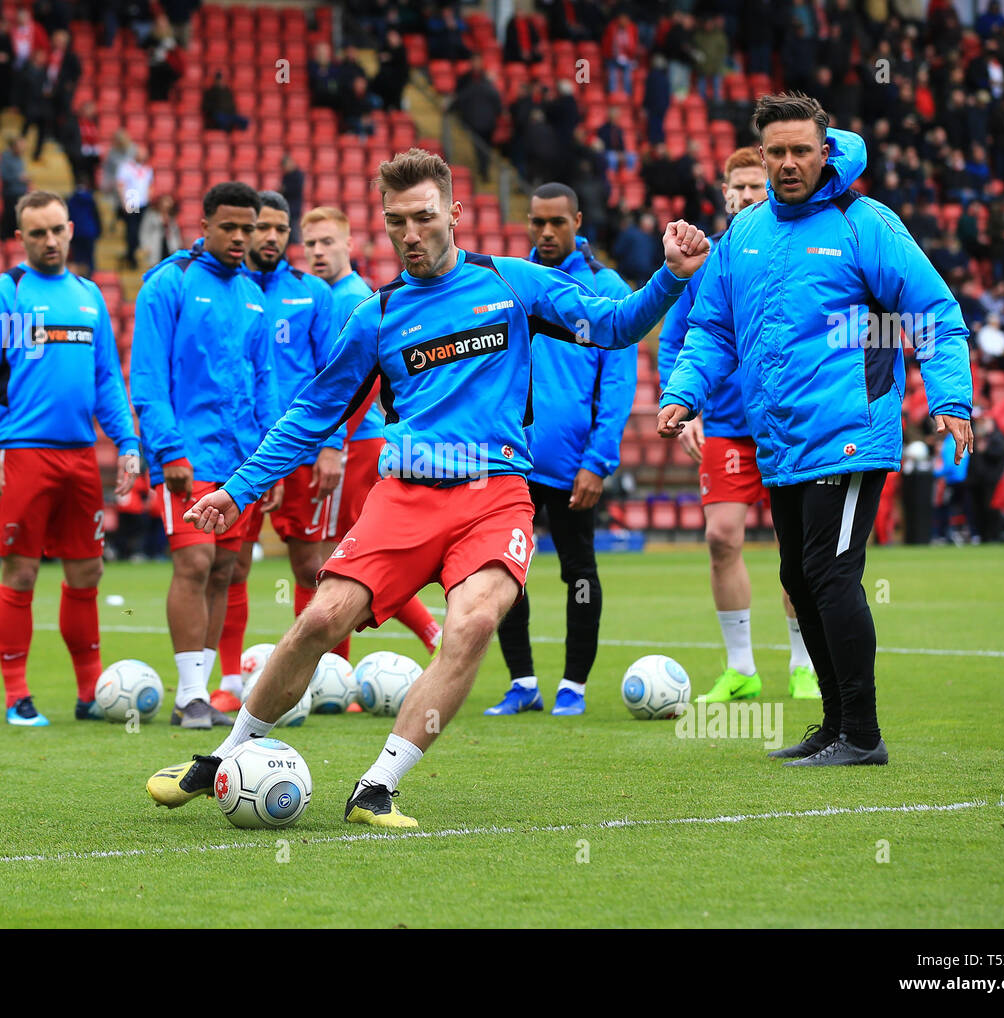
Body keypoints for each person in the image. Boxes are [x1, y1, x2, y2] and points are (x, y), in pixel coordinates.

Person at [145, 148, 708, 827]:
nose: (410, 235)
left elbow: (613, 326)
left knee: (471, 624)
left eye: (423, 218)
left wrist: (672, 278)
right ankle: (224, 759)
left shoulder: (515, 284)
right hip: (405, 497)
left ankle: (378, 785)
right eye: (395, 223)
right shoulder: (378, 318)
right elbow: (308, 416)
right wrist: (237, 490)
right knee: (320, 620)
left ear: (455, 213)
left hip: (496, 494)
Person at [658, 94, 974, 766]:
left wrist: (951, 396)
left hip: (851, 431)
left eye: (803, 149)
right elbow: (711, 328)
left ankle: (862, 734)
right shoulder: (742, 236)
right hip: (782, 441)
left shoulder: (865, 224)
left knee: (830, 576)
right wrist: (684, 393)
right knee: (800, 581)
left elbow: (936, 312)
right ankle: (835, 727)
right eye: (777, 151)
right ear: (762, 155)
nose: (790, 162)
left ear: (826, 151)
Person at [0, 190, 140, 727]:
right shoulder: (4, 294)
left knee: (87, 571)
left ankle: (90, 695)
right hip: (21, 455)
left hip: (81, 457)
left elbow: (107, 378)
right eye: (37, 233)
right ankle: (17, 696)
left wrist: (128, 443)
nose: (49, 241)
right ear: (20, 238)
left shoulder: (89, 295)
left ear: (70, 230)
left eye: (57, 230)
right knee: (21, 571)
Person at [658, 147, 819, 703]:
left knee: (795, 550)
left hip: (784, 422)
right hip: (725, 425)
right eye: (739, 188)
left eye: (757, 187)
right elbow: (678, 338)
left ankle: (804, 662)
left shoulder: (788, 250)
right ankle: (742, 668)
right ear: (724, 193)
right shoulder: (712, 263)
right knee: (721, 538)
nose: (748, 195)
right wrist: (685, 408)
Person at [485, 183, 636, 717]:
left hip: (574, 465)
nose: (547, 233)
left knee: (578, 573)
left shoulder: (605, 286)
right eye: (538, 223)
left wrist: (598, 461)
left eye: (558, 223)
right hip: (511, 461)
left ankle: (573, 685)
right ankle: (522, 683)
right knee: (504, 574)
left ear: (577, 221)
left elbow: (617, 387)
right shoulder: (511, 282)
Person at [132, 182, 279, 728]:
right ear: (205, 225)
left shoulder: (253, 297)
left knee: (225, 569)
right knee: (193, 562)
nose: (241, 238)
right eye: (231, 228)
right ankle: (189, 693)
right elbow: (147, 378)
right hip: (187, 454)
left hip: (242, 460)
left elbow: (264, 384)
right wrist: (168, 449)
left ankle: (204, 693)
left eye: (250, 228)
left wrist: (270, 462)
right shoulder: (167, 285)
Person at [212, 191, 341, 713]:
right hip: (240, 448)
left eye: (278, 228)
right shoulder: (232, 293)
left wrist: (332, 446)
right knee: (232, 564)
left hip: (304, 450)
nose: (269, 236)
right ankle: (230, 679)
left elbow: (335, 379)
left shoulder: (314, 294)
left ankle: (318, 674)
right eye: (261, 227)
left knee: (313, 563)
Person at [298, 204, 443, 663]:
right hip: (349, 443)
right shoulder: (330, 296)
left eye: (327, 243)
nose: (318, 252)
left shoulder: (351, 299)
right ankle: (341, 666)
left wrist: (332, 446)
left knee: (341, 557)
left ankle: (338, 667)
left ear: (349, 245)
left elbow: (358, 388)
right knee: (339, 555)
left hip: (354, 444)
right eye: (311, 245)